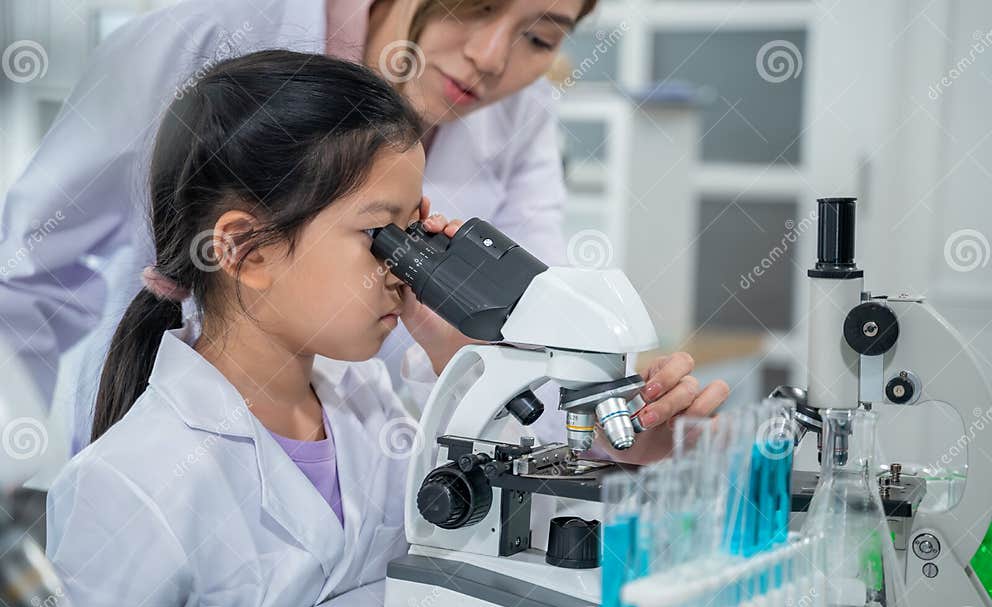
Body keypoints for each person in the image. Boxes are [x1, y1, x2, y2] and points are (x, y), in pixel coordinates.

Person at [14, 51, 725, 607]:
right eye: (380, 235)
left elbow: (495, 545)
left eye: (414, 233)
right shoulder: (126, 487)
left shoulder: (371, 409)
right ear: (246, 250)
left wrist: (622, 443)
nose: (404, 267)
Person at [0, 0, 613, 456]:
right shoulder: (207, 35)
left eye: (539, 37)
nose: (492, 57)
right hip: (163, 438)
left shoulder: (520, 115)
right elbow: (27, 276)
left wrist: (610, 418)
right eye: (475, 4)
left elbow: (537, 322)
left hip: (350, 454)